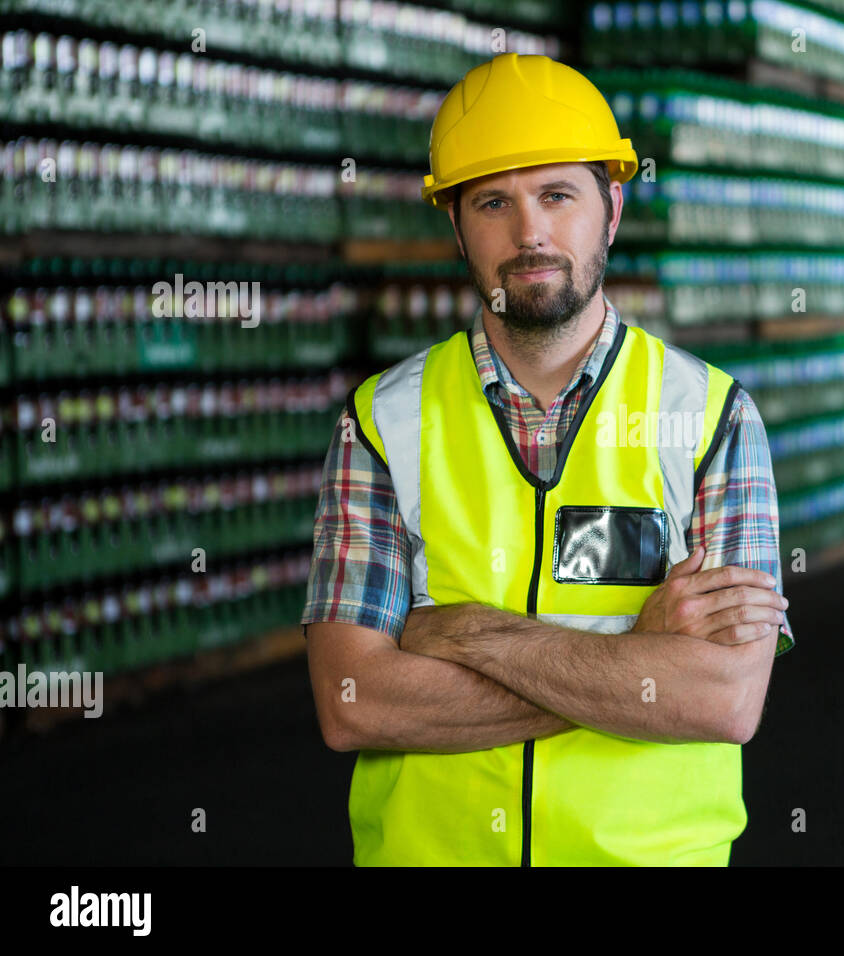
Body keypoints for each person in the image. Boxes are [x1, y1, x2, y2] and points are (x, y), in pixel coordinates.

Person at [301, 52, 794, 866]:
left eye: (557, 195)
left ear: (612, 209)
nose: (529, 232)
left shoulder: (709, 418)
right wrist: (635, 657)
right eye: (494, 202)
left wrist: (461, 635)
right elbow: (353, 701)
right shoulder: (381, 424)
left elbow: (726, 698)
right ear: (456, 226)